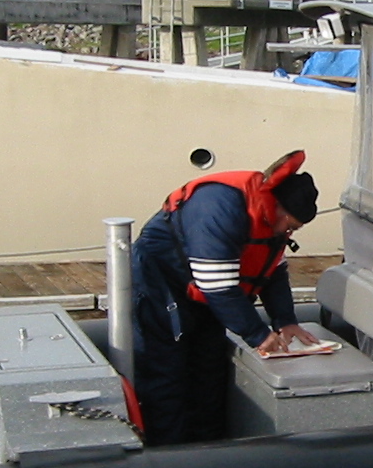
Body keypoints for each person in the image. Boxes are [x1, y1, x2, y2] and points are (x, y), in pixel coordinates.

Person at [131, 150, 320, 444]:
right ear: (278, 208)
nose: (289, 232)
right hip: (163, 287)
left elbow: (273, 268)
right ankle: (168, 457)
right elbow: (217, 285)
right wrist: (258, 335)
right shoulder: (219, 208)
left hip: (210, 299)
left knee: (209, 373)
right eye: (291, 226)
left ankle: (209, 451)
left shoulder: (271, 222)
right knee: (166, 378)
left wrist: (285, 320)